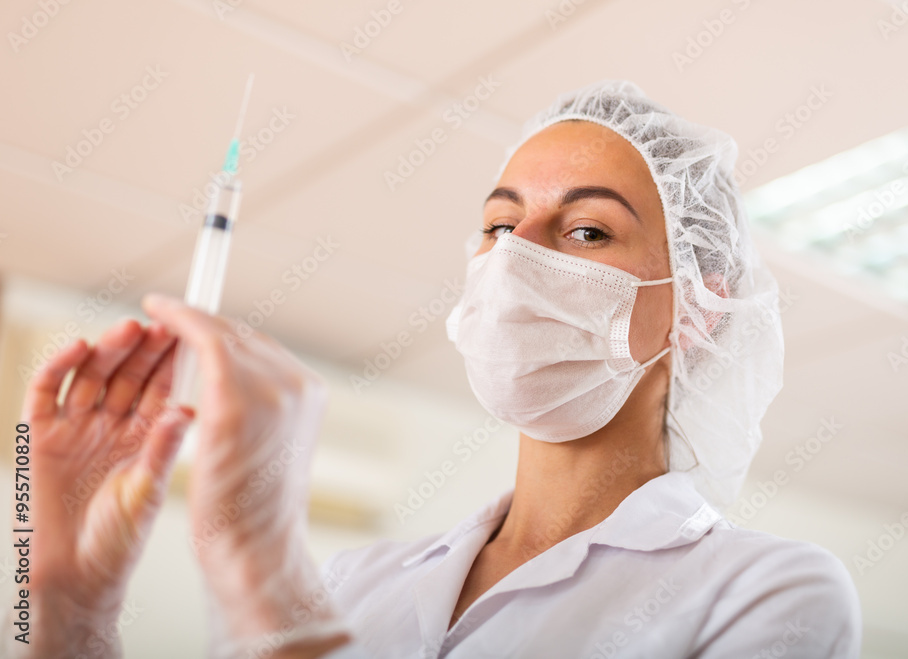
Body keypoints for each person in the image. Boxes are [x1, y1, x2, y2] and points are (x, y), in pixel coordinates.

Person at [8, 80, 861, 658]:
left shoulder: (769, 592)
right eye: (499, 224)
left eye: (587, 230)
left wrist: (261, 563)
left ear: (699, 305)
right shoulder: (352, 582)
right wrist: (73, 613)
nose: (513, 259)